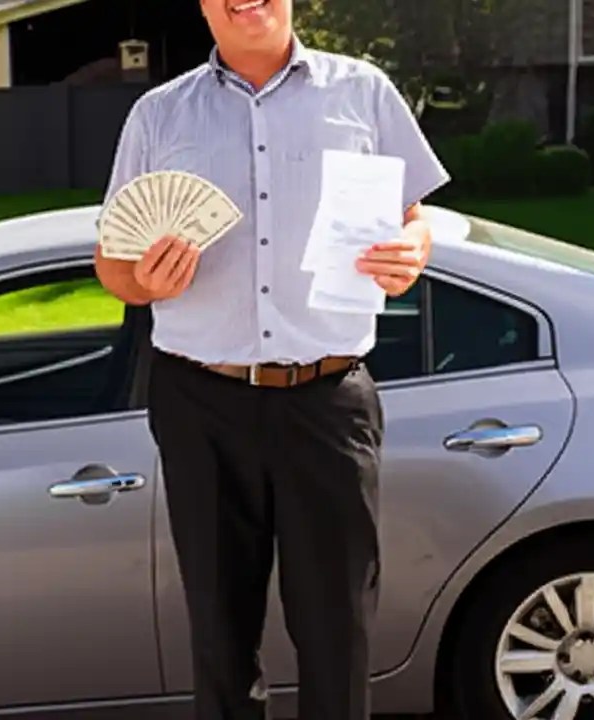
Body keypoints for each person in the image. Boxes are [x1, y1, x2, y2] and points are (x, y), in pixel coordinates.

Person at [93, 0, 450, 718]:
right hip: (201, 403)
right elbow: (112, 263)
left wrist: (416, 247)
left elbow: (412, 217)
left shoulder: (364, 92)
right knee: (221, 639)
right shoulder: (159, 117)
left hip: (327, 399)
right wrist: (141, 282)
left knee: (337, 632)